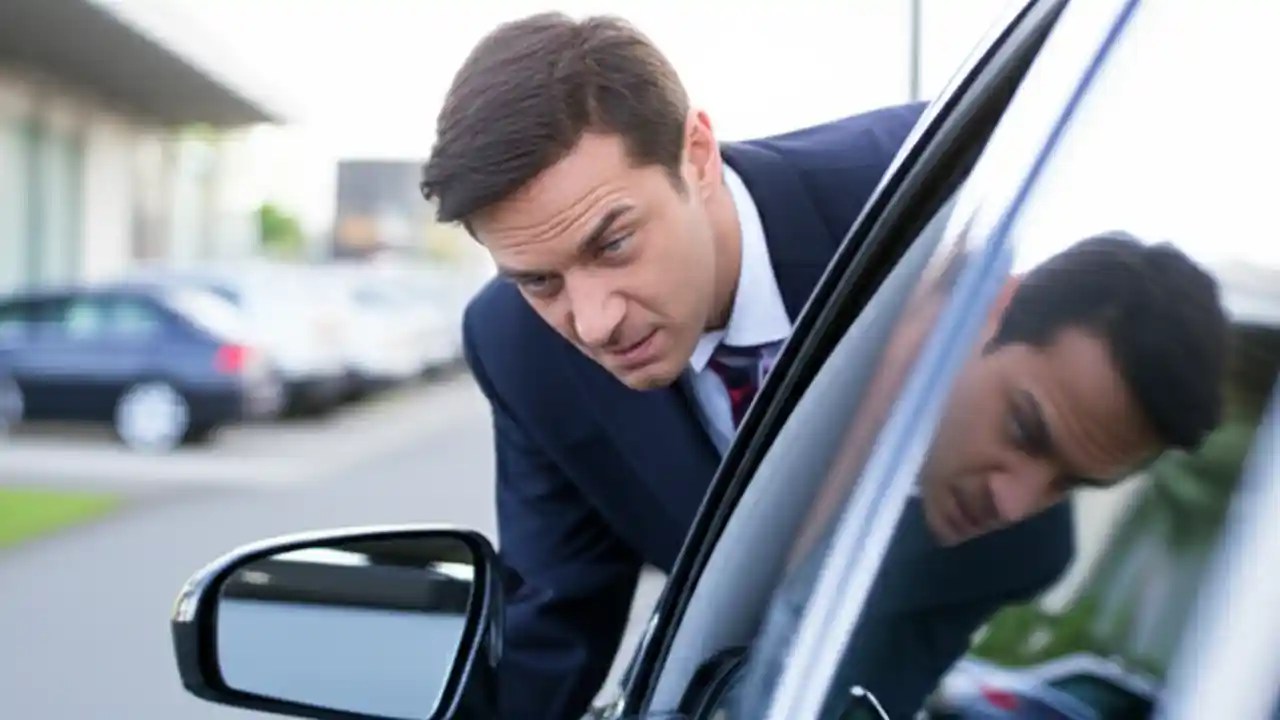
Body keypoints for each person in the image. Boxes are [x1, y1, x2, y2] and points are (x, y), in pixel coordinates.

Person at [418, 11, 925, 719]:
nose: (594, 322)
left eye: (614, 243)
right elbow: (554, 623)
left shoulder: (930, 183)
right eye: (540, 281)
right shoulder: (517, 346)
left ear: (698, 152)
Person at [729, 230, 1230, 719]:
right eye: (1024, 429)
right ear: (993, 305)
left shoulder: (1023, 551)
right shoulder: (791, 294)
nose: (1012, 506)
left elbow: (869, 696)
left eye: (1070, 484)